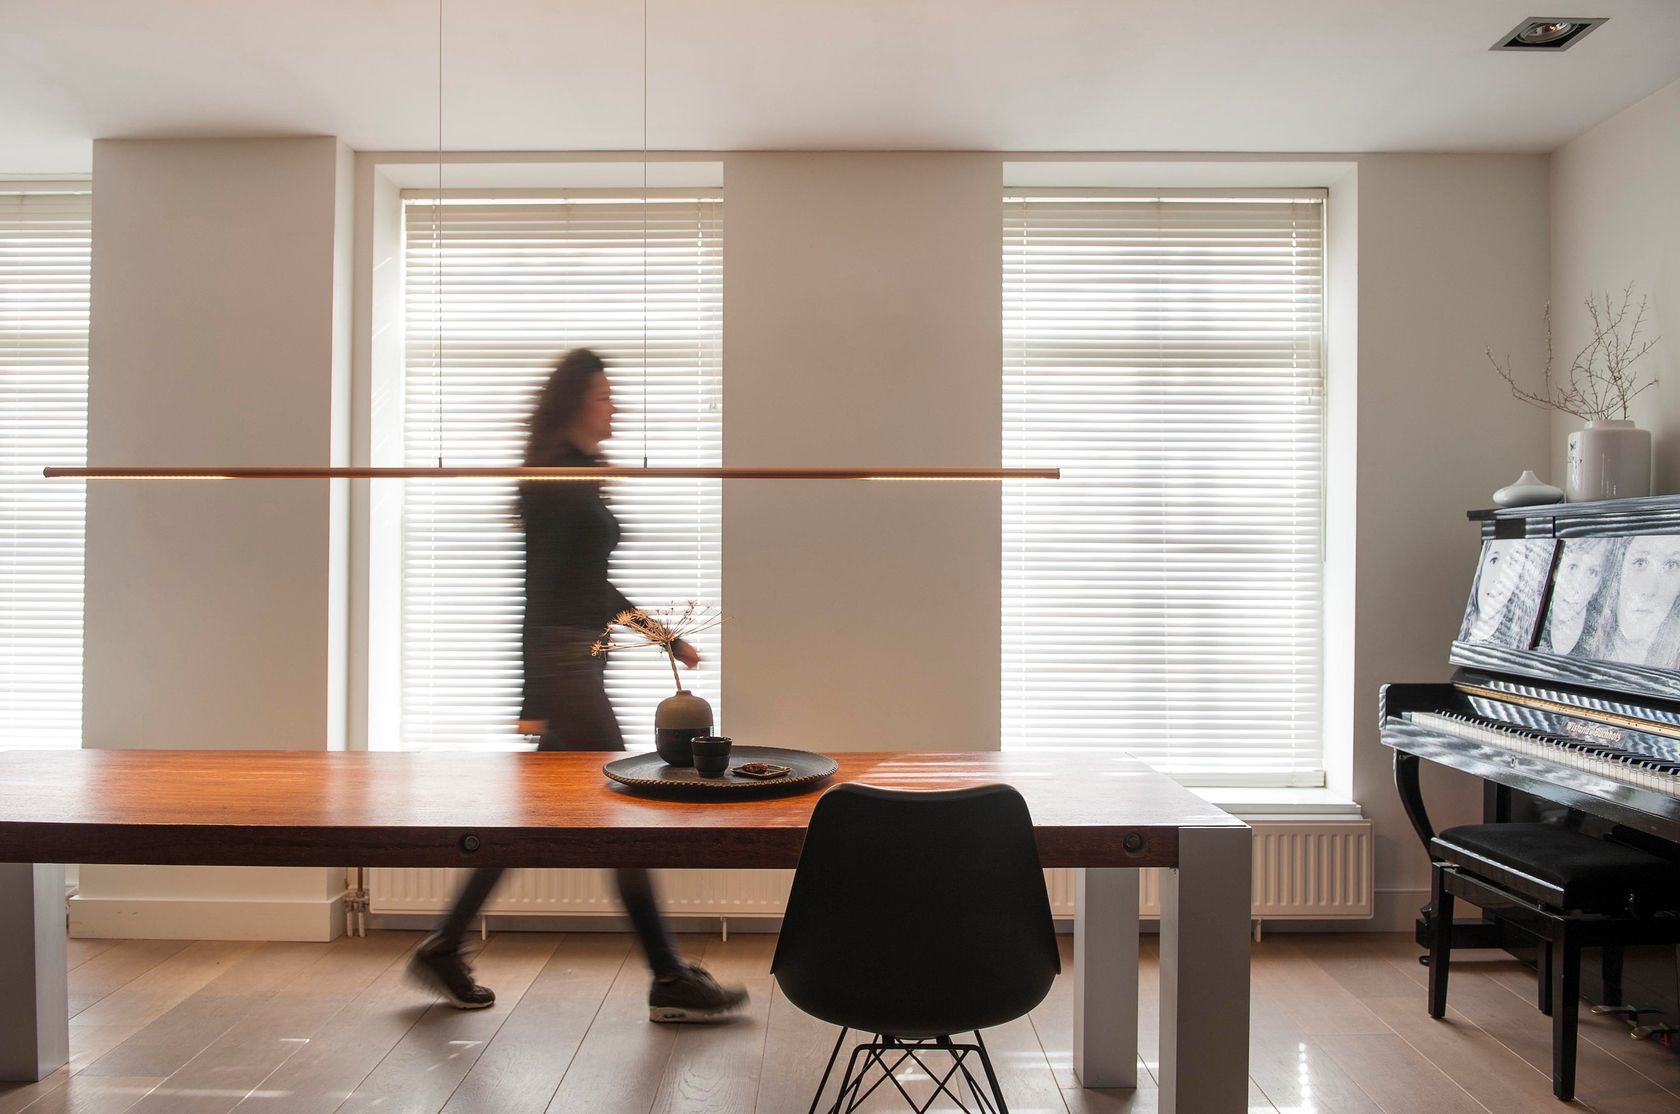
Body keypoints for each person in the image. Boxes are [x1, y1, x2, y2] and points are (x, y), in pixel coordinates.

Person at [408, 348, 748, 1021]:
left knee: (530, 821)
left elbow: (593, 584)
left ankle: (445, 946)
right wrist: (533, 698)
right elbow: (542, 589)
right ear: (574, 403)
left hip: (579, 662)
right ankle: (668, 976)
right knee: (627, 811)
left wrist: (662, 636)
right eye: (603, 395)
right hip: (565, 669)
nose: (614, 405)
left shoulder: (582, 475)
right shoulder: (556, 480)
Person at [1591, 535, 1680, 668]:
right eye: (1640, 563)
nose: (1650, 590)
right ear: (1618, 571)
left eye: (1671, 565)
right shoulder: (1582, 643)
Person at [1459, 539, 1546, 647]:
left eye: (1512, 563)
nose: (1497, 578)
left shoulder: (1517, 637)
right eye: (1494, 560)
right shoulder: (1466, 633)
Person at [1539, 539, 1612, 656]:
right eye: (1572, 567)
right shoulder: (1534, 616)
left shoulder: (1600, 639)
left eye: (1592, 572)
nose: (1576, 587)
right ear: (1555, 570)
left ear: (1598, 585)